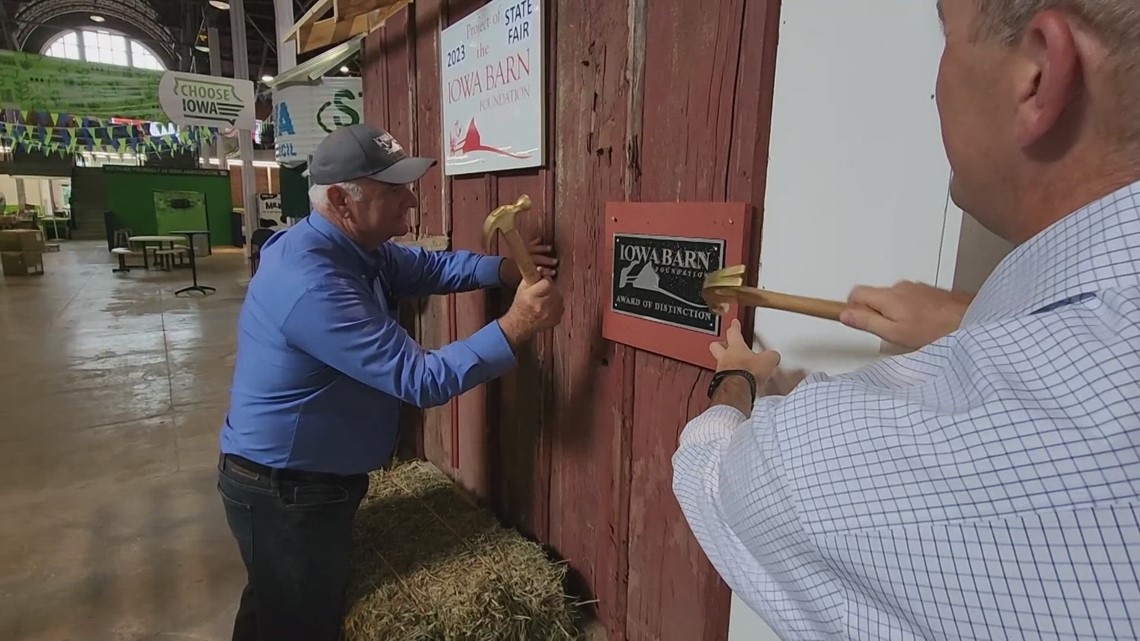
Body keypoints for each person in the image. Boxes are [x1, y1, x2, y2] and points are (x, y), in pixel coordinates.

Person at [673, 1, 1140, 639]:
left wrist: (740, 381)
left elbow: (719, 481)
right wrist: (979, 320)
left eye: (947, 32)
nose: (934, 83)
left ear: (1037, 71)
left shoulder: (860, 461)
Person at [216, 123, 563, 641]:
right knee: (299, 623)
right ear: (340, 199)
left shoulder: (352, 247)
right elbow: (419, 378)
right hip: (285, 491)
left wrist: (503, 271)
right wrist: (517, 326)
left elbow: (424, 267)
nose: (410, 197)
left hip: (294, 483)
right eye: (392, 188)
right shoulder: (313, 282)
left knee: (273, 605)